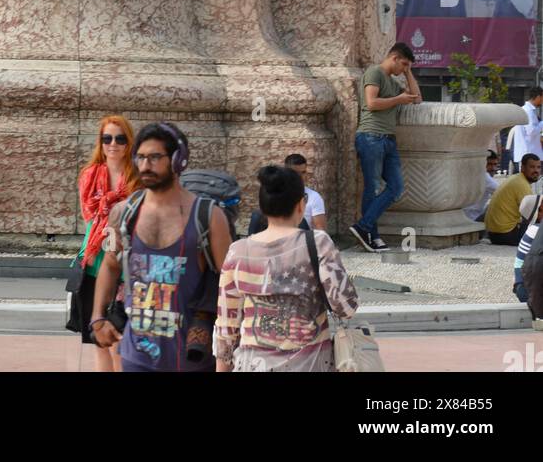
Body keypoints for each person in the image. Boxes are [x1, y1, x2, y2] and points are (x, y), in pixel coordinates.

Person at [90, 122, 232, 372]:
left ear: (178, 161)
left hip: (192, 358)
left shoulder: (209, 217)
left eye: (155, 157)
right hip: (136, 357)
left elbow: (231, 283)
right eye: (141, 157)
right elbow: (110, 265)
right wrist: (97, 317)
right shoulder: (123, 213)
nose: (145, 166)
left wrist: (227, 349)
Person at [215, 163, 358, 372]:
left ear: (262, 208)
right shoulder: (318, 243)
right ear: (301, 205)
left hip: (252, 365)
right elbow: (346, 307)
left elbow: (226, 325)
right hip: (310, 364)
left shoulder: (238, 251)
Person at [71, 115, 137, 373]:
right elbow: (88, 216)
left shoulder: (136, 177)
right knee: (98, 338)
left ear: (128, 142)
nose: (113, 144)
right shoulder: (89, 175)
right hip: (94, 260)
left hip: (123, 262)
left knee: (118, 341)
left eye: (120, 138)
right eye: (107, 138)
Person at [350, 41, 421, 252]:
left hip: (388, 139)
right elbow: (371, 103)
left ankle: (364, 227)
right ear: (394, 58)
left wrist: (408, 75)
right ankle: (371, 235)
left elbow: (417, 99)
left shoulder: (392, 80)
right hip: (371, 136)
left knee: (396, 187)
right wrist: (398, 99)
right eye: (404, 64)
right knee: (372, 187)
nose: (403, 69)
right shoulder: (375, 73)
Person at [485, 154, 542, 245]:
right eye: (532, 167)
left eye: (538, 167)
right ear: (522, 168)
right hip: (505, 234)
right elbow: (535, 215)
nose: (536, 171)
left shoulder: (517, 179)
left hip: (495, 234)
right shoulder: (521, 184)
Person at [512, 192, 543, 324]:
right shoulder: (536, 231)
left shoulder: (532, 230)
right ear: (539, 212)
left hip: (523, 287)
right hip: (528, 290)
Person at [506, 87, 543, 171]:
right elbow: (531, 131)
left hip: (529, 155)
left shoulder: (528, 110)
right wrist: (542, 124)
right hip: (528, 156)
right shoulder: (528, 111)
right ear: (538, 97)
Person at [463, 151, 500, 223]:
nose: (493, 168)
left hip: (470, 214)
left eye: (495, 164)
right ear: (482, 163)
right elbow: (502, 191)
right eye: (489, 164)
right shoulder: (484, 176)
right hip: (473, 217)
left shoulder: (474, 172)